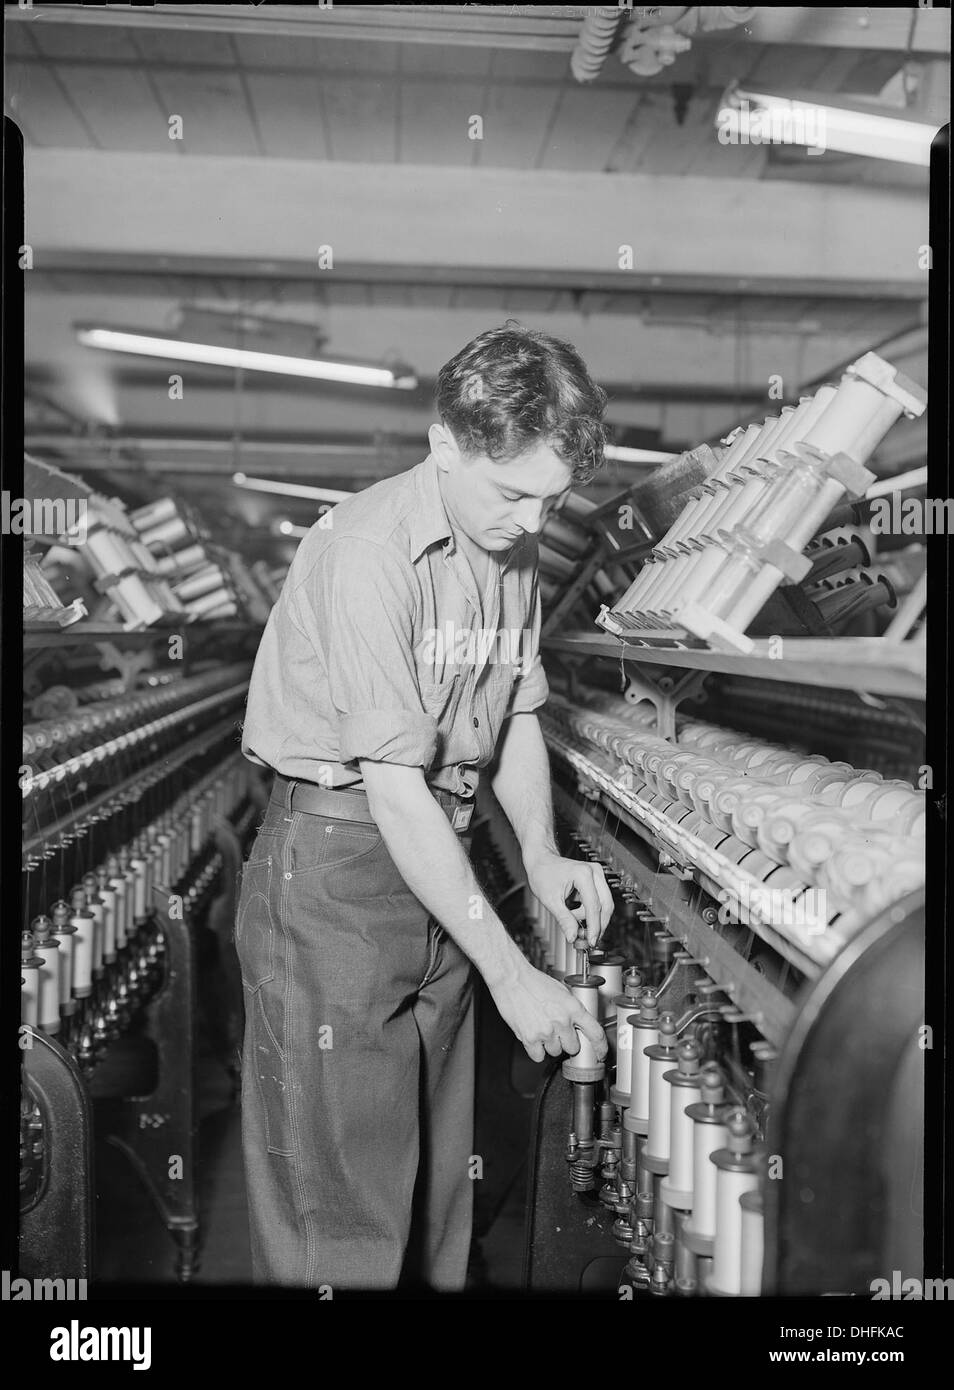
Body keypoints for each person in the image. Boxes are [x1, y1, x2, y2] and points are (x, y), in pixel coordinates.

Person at [236, 321, 613, 1290]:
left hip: (439, 865)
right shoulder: (367, 549)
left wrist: (538, 855)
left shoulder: (511, 551)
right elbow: (393, 787)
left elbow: (517, 712)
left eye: (552, 498)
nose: (534, 522)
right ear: (443, 444)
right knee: (343, 1196)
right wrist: (514, 974)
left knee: (440, 1182)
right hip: (339, 870)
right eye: (514, 493)